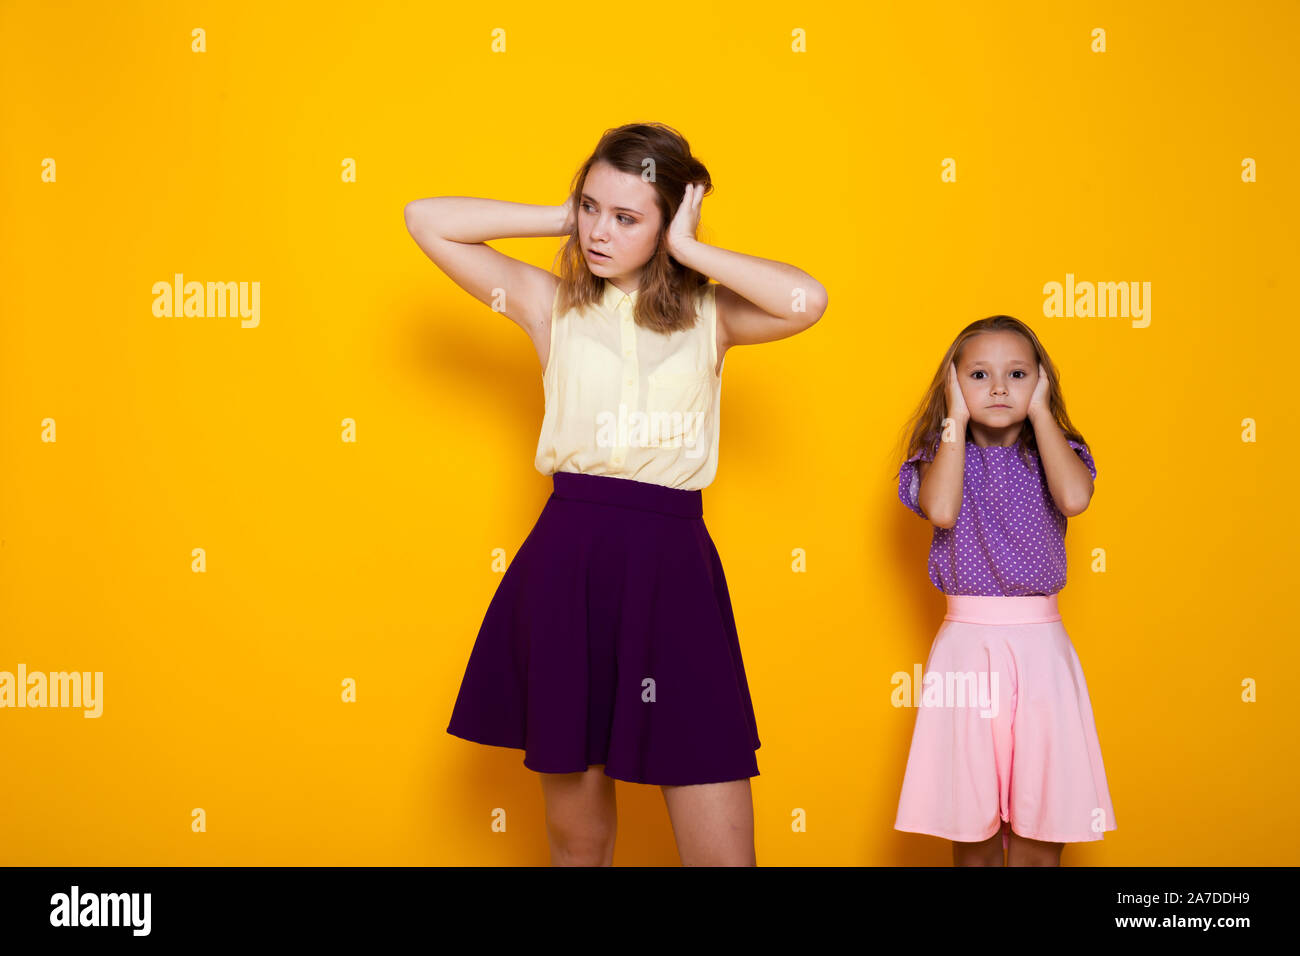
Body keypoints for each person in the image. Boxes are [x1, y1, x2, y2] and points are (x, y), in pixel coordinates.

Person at [403, 122, 827, 865]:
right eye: (591, 208)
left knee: (724, 850)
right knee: (579, 841)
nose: (600, 231)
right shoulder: (549, 303)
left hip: (673, 568)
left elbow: (808, 299)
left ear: (667, 223)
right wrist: (556, 217)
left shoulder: (712, 318)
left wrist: (690, 251)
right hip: (568, 564)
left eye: (626, 217)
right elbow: (425, 219)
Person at [891, 316, 1116, 865]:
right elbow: (942, 510)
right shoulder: (935, 459)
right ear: (953, 385)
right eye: (978, 375)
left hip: (1042, 651)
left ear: (1041, 381)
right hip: (965, 649)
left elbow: (1074, 499)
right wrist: (952, 421)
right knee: (974, 837)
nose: (997, 387)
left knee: (1044, 828)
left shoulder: (1057, 454)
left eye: (1017, 374)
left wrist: (1042, 414)